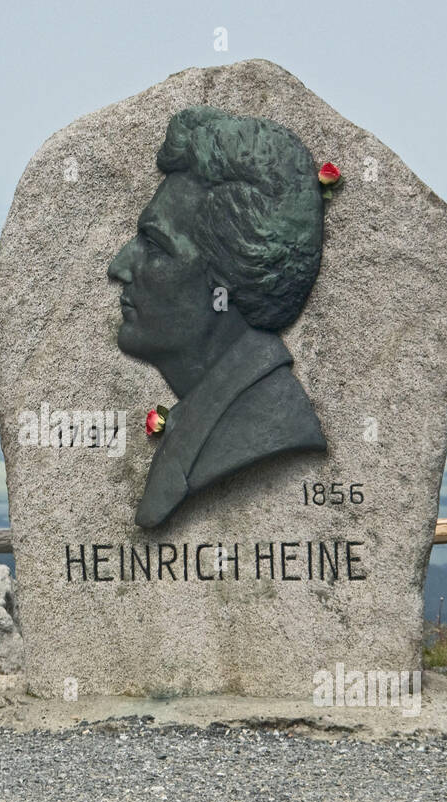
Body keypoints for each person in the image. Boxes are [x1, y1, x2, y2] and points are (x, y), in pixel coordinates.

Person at [107, 105, 328, 528]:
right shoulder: (219, 407)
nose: (119, 267)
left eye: (155, 246)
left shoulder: (269, 425)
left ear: (225, 283)